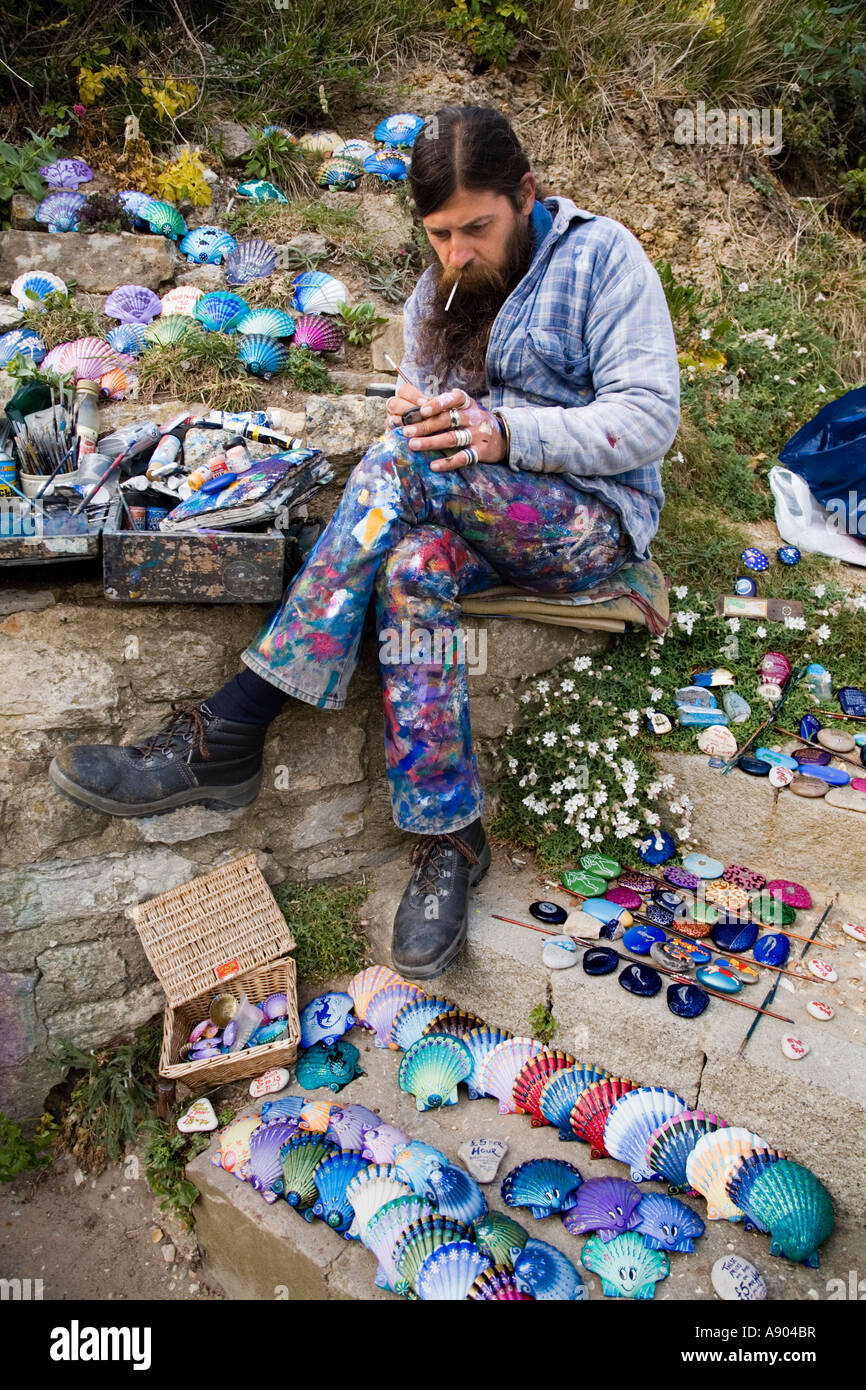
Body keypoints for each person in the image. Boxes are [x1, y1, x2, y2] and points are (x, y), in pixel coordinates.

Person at [49, 106, 680, 980]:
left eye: (476, 229)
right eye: (439, 235)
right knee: (415, 563)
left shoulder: (604, 258)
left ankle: (234, 721)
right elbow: (423, 412)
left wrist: (501, 433)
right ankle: (448, 836)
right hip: (461, 520)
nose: (456, 254)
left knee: (404, 469)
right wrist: (419, 413)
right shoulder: (441, 288)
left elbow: (648, 418)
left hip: (583, 525)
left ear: (526, 195)